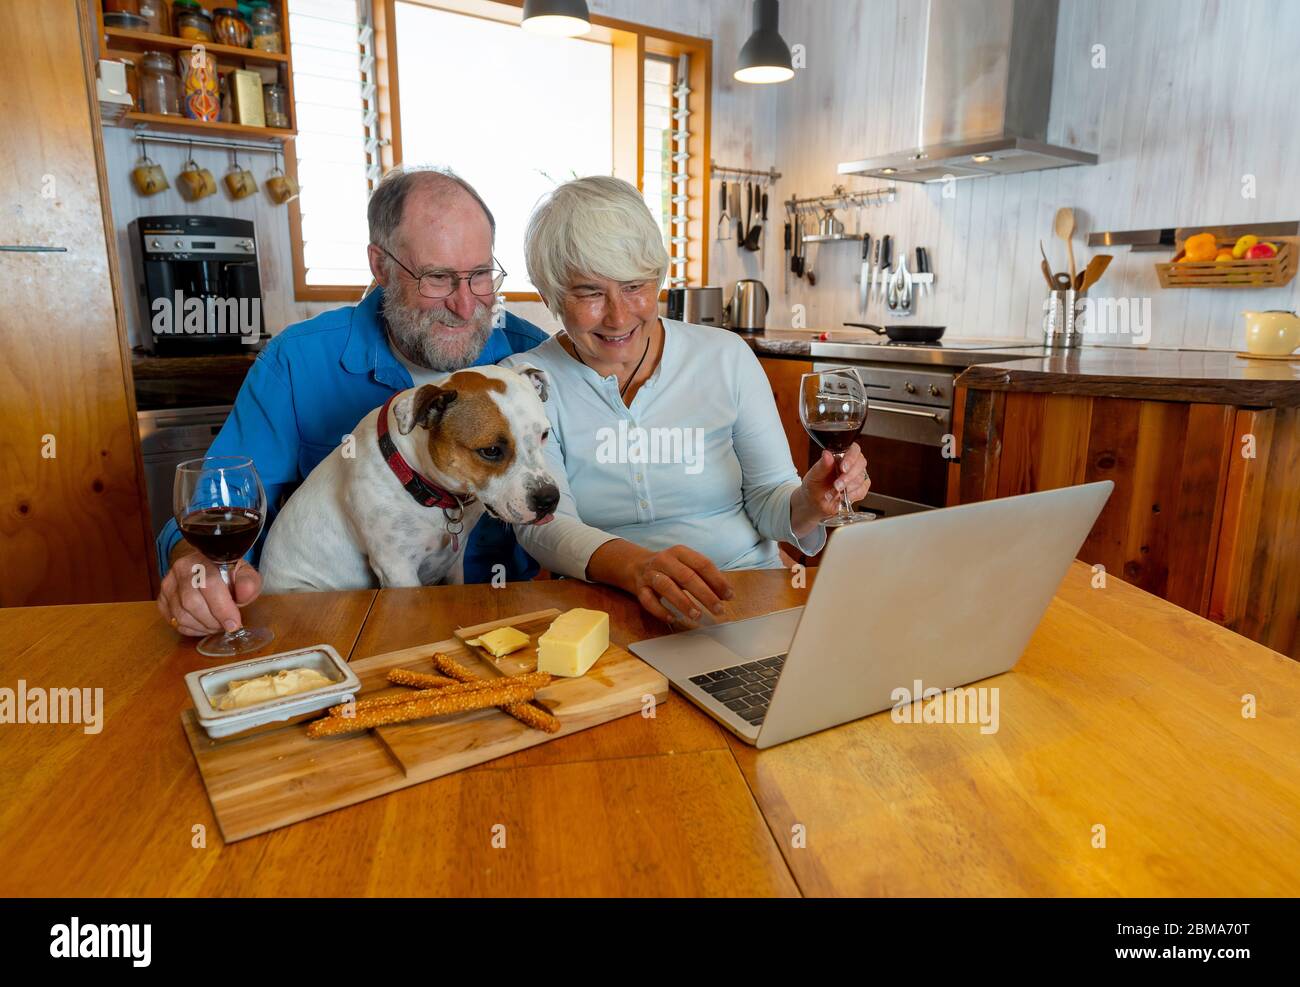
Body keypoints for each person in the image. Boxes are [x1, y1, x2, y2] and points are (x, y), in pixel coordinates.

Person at [157, 166, 548, 638]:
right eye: (438, 278)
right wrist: (193, 562)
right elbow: (216, 505)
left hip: (503, 623)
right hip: (328, 629)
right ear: (381, 267)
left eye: (481, 274)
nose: (466, 305)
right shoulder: (296, 361)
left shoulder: (528, 355)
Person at [502, 176, 870, 623]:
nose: (619, 315)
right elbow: (544, 524)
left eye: (634, 286)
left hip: (744, 586)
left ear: (658, 278)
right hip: (604, 606)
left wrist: (810, 502)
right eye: (590, 292)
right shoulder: (526, 381)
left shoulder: (725, 356)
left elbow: (769, 499)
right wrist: (638, 568)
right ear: (549, 295)